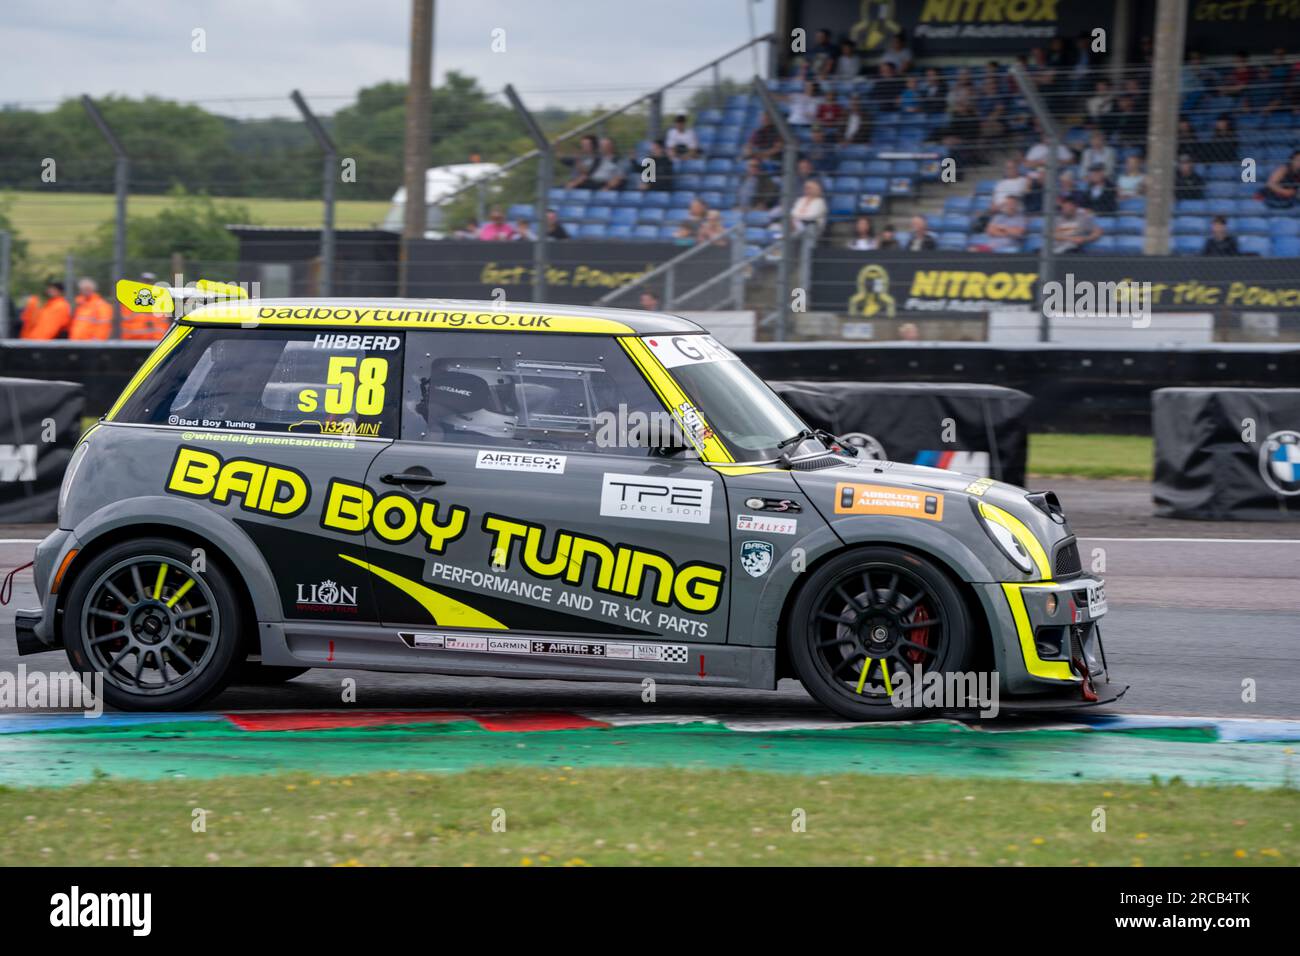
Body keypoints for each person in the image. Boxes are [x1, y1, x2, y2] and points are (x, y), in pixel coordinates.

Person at [119, 274, 169, 341]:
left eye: (149, 282)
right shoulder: (128, 301)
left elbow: (163, 324)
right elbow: (124, 322)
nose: (146, 284)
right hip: (131, 342)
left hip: (155, 342)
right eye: (144, 281)